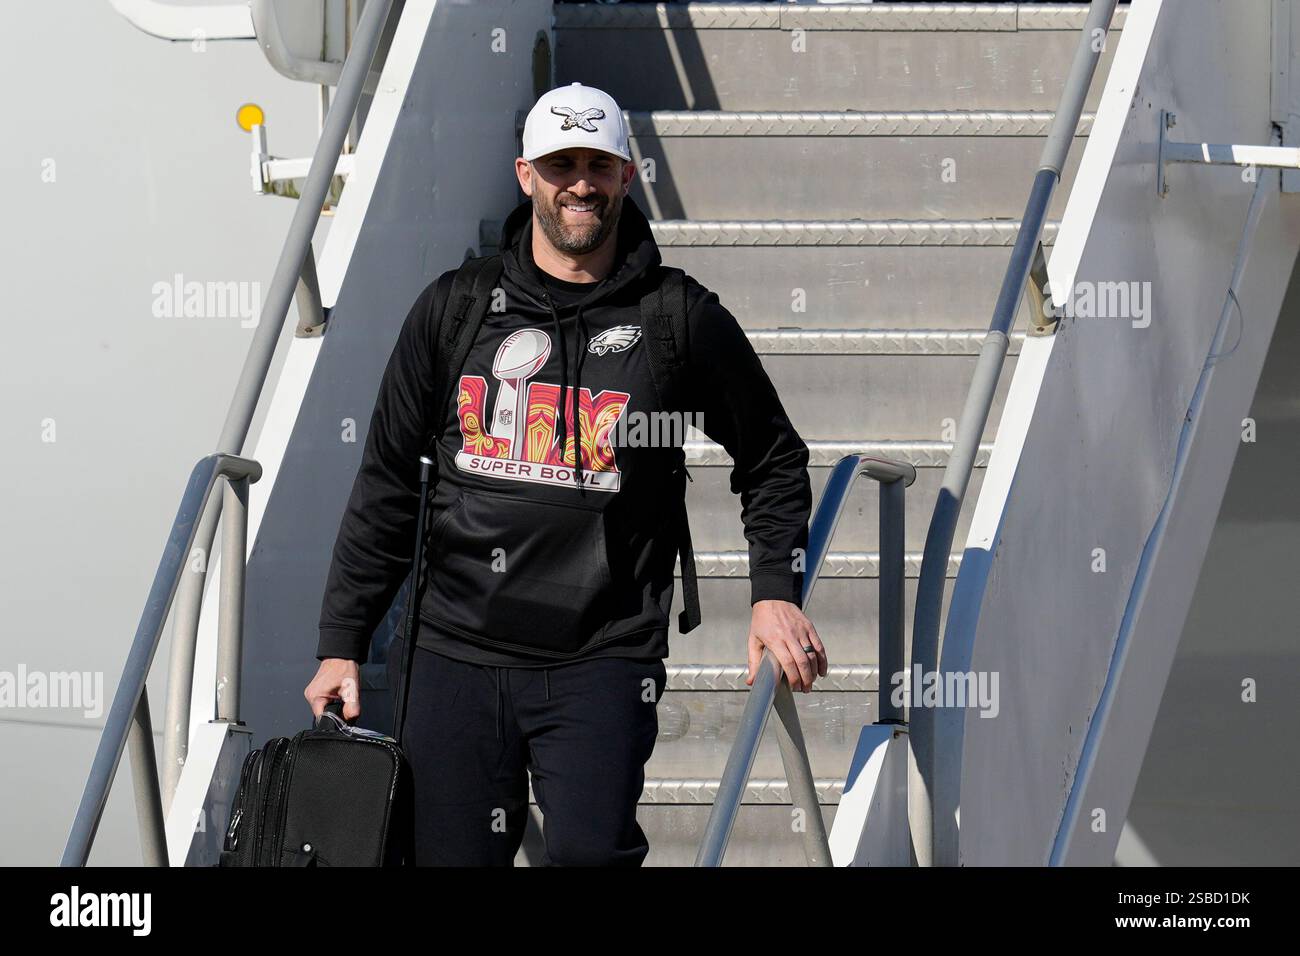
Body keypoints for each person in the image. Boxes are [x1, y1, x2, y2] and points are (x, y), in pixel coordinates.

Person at [303, 82, 825, 866]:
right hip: (452, 653)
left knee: (589, 857)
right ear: (525, 175)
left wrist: (774, 591)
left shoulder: (676, 318)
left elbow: (772, 456)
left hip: (601, 658)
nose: (579, 183)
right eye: (560, 164)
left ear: (627, 174)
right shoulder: (456, 310)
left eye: (597, 163)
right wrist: (343, 640)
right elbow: (385, 482)